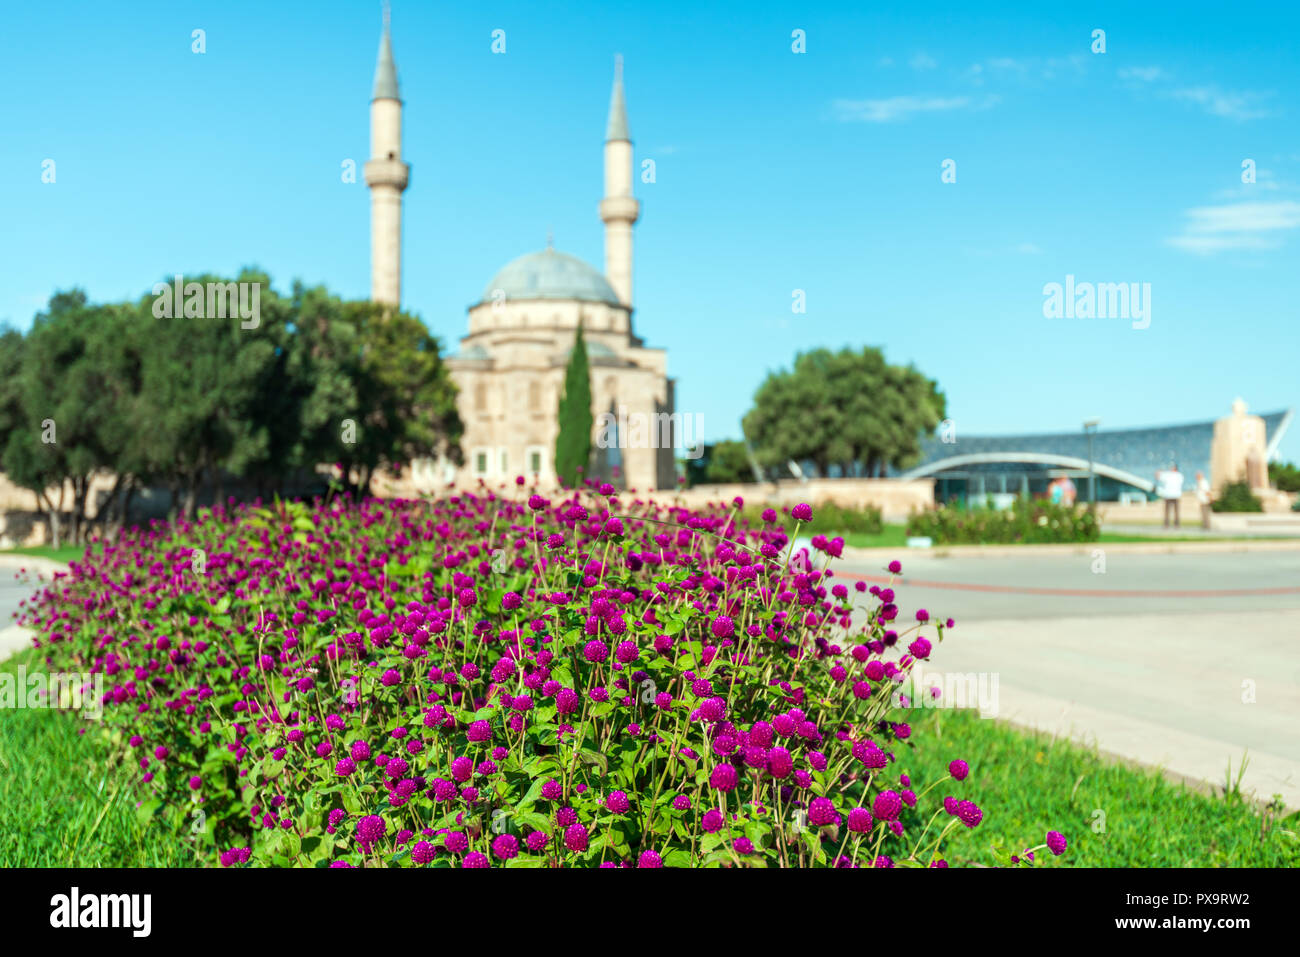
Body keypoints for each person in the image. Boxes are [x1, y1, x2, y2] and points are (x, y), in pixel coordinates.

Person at [1155, 462, 1184, 528]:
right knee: (1169, 511)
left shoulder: (1173, 475)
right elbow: (1158, 476)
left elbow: (1158, 476)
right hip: (1170, 495)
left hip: (1173, 495)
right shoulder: (1178, 475)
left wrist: (1160, 472)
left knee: (1173, 511)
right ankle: (1169, 524)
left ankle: (1173, 524)